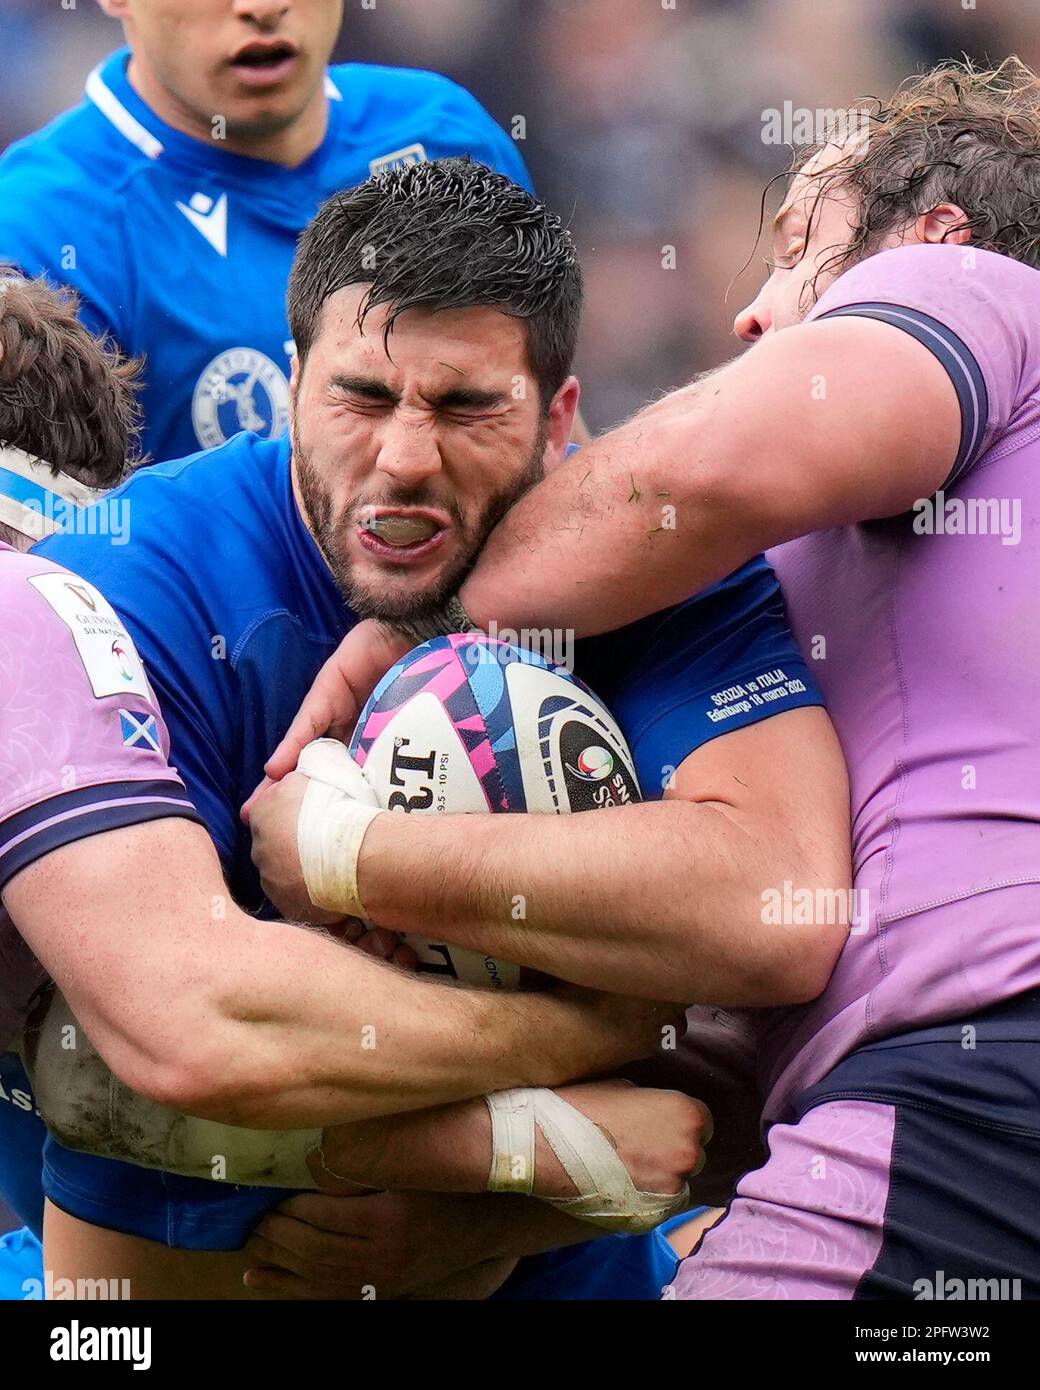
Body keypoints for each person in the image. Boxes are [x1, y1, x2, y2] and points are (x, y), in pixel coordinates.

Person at [278, 59, 1040, 1299]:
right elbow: (740, 1073)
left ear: (935, 236)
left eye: (800, 250)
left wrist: (430, 625)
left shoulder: (975, 292)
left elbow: (699, 470)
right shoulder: (908, 566)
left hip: (970, 1096)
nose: (751, 314)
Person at [36, 158, 850, 1299]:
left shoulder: (657, 571)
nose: (406, 458)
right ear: (287, 384)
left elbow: (780, 914)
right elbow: (121, 1048)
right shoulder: (141, 586)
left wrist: (351, 857)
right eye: (360, 398)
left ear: (560, 417)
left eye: (467, 408)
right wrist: (525, 1133)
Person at [0, 274, 687, 1300]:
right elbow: (158, 1045)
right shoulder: (62, 619)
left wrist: (503, 1194)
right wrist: (540, 1108)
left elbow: (168, 1052)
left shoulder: (68, 636)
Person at [0, 0, 537, 464]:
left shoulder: (448, 134)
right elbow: (45, 569)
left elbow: (544, 439)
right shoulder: (38, 233)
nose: (262, 7)